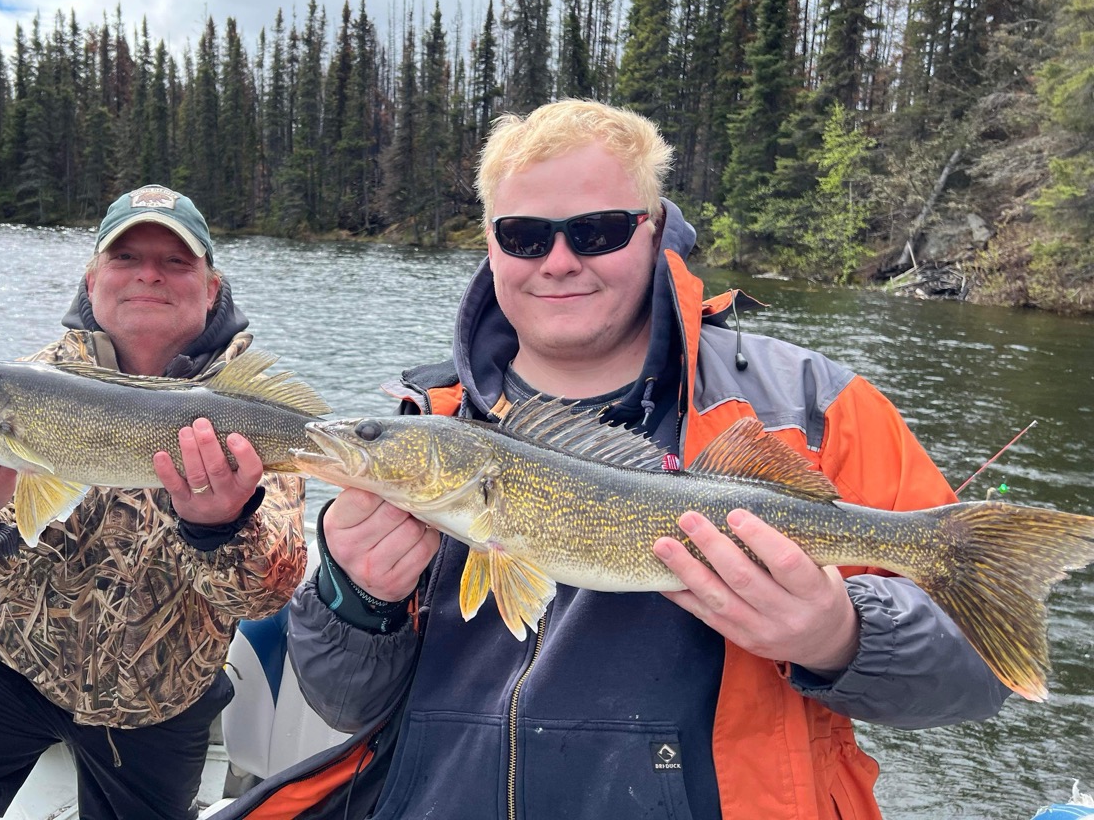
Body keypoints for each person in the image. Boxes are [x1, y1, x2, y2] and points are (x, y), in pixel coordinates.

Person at [232, 100, 1012, 820]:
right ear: (493, 247)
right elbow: (343, 703)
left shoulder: (808, 408)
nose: (560, 261)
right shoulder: (425, 421)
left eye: (597, 230)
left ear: (652, 228)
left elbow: (977, 671)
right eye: (526, 236)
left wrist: (837, 635)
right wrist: (355, 598)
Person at [0, 184, 308, 820]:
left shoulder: (252, 417)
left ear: (212, 287)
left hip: (159, 701)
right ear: (92, 279)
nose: (148, 275)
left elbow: (263, 598)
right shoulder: (14, 390)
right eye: (125, 257)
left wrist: (219, 530)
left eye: (175, 261)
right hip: (12, 670)